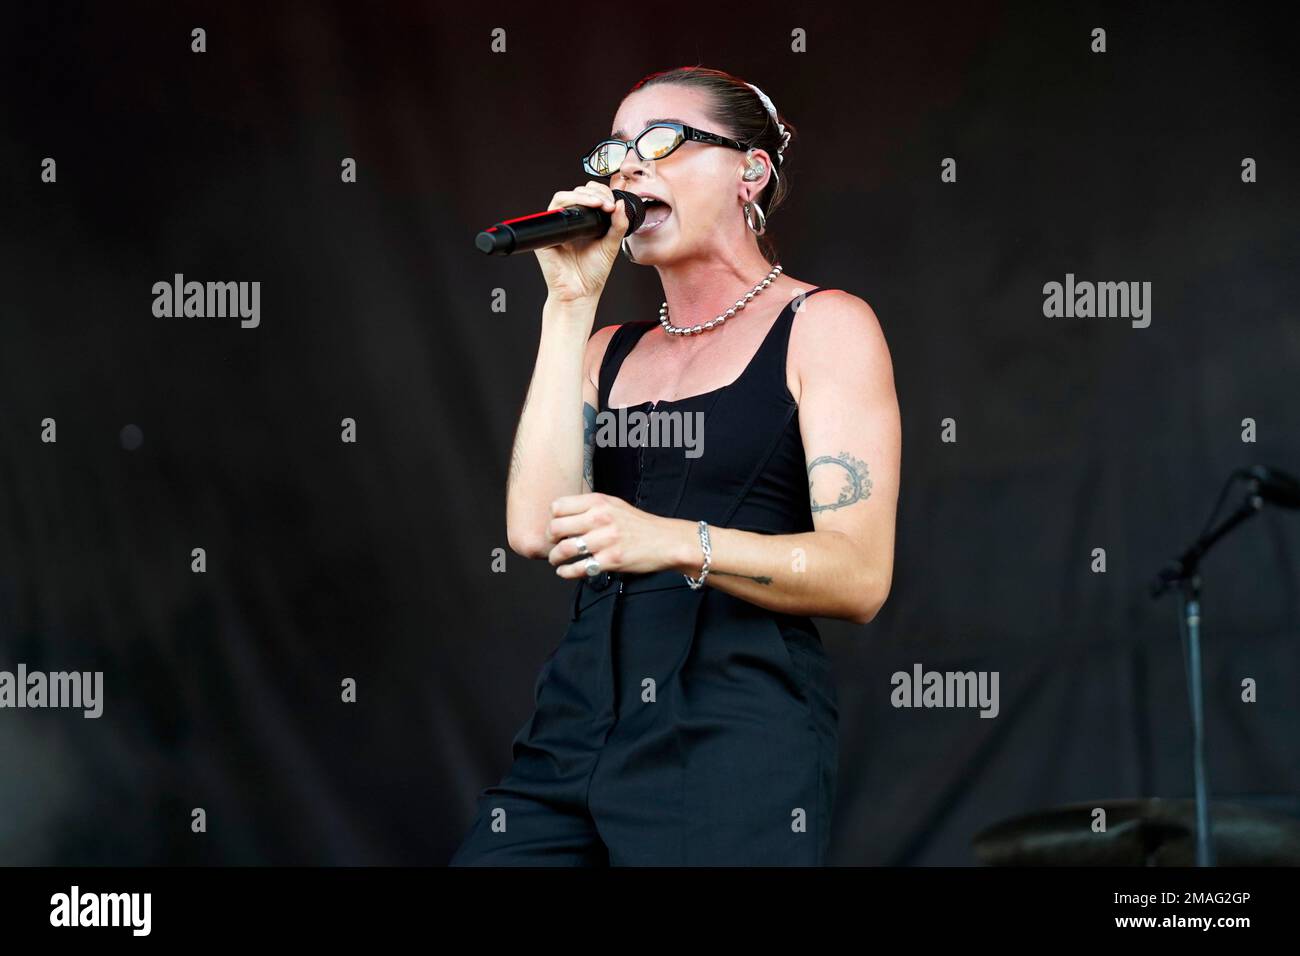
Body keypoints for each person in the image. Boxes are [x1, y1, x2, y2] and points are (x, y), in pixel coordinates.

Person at [450, 66, 900, 866]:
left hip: (733, 731)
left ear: (749, 170)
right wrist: (568, 305)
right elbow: (532, 527)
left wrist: (671, 541)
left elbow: (859, 576)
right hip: (576, 729)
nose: (625, 167)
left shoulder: (823, 326)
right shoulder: (606, 351)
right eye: (613, 150)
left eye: (660, 141)